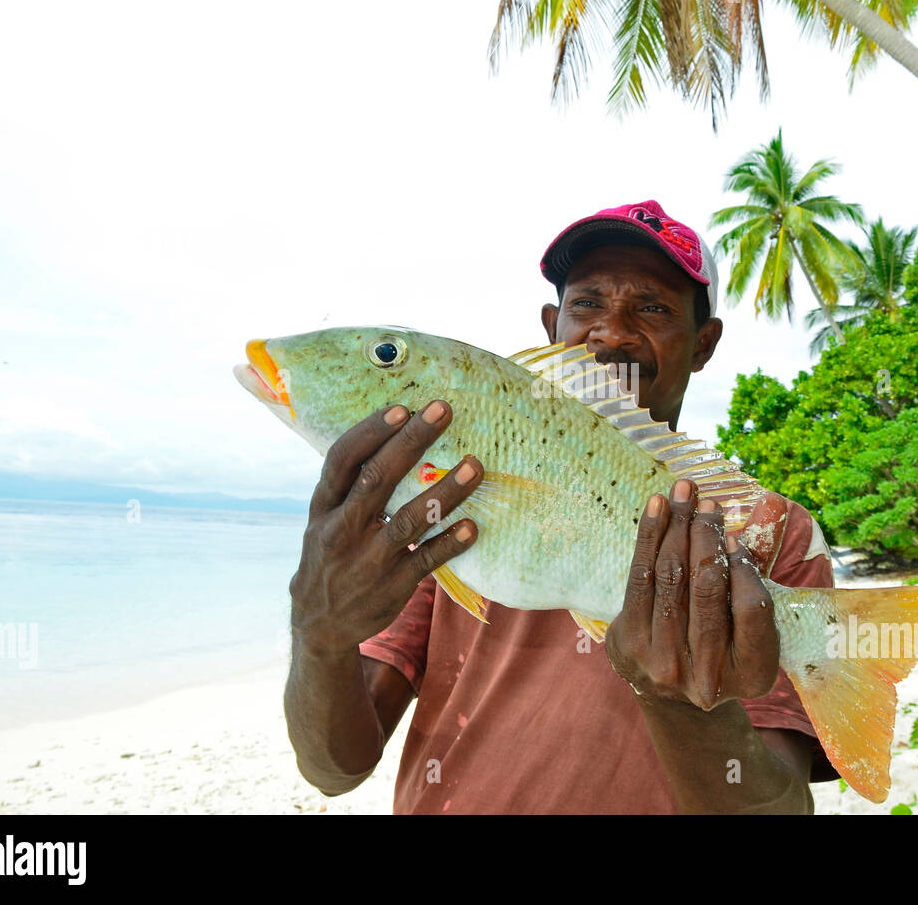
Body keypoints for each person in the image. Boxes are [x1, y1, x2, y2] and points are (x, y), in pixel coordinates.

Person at [284, 199, 839, 814]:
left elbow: (776, 809)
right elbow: (335, 769)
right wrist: (319, 634)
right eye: (587, 304)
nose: (613, 331)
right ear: (552, 326)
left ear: (704, 343)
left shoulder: (765, 532)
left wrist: (678, 700)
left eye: (652, 308)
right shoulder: (444, 503)